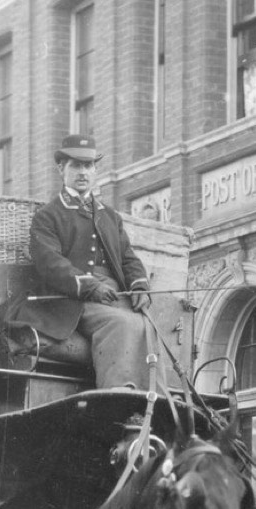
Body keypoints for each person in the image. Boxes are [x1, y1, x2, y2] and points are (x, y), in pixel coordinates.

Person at [18, 133, 158, 390]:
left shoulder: (110, 216)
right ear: (62, 169)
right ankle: (118, 394)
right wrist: (89, 285)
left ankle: (152, 399)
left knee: (151, 323)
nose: (83, 172)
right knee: (122, 323)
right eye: (76, 165)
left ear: (95, 170)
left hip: (116, 294)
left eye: (89, 166)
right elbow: (50, 263)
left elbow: (128, 258)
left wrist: (139, 286)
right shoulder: (47, 216)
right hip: (73, 299)